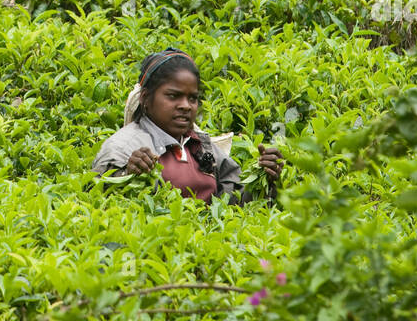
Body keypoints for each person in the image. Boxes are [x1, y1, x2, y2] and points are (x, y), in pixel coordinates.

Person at [92, 47, 284, 205]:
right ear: (145, 99)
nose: (185, 105)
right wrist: (127, 175)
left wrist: (264, 178)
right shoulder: (123, 147)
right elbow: (98, 198)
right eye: (173, 96)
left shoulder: (202, 146)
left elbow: (234, 203)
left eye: (192, 98)